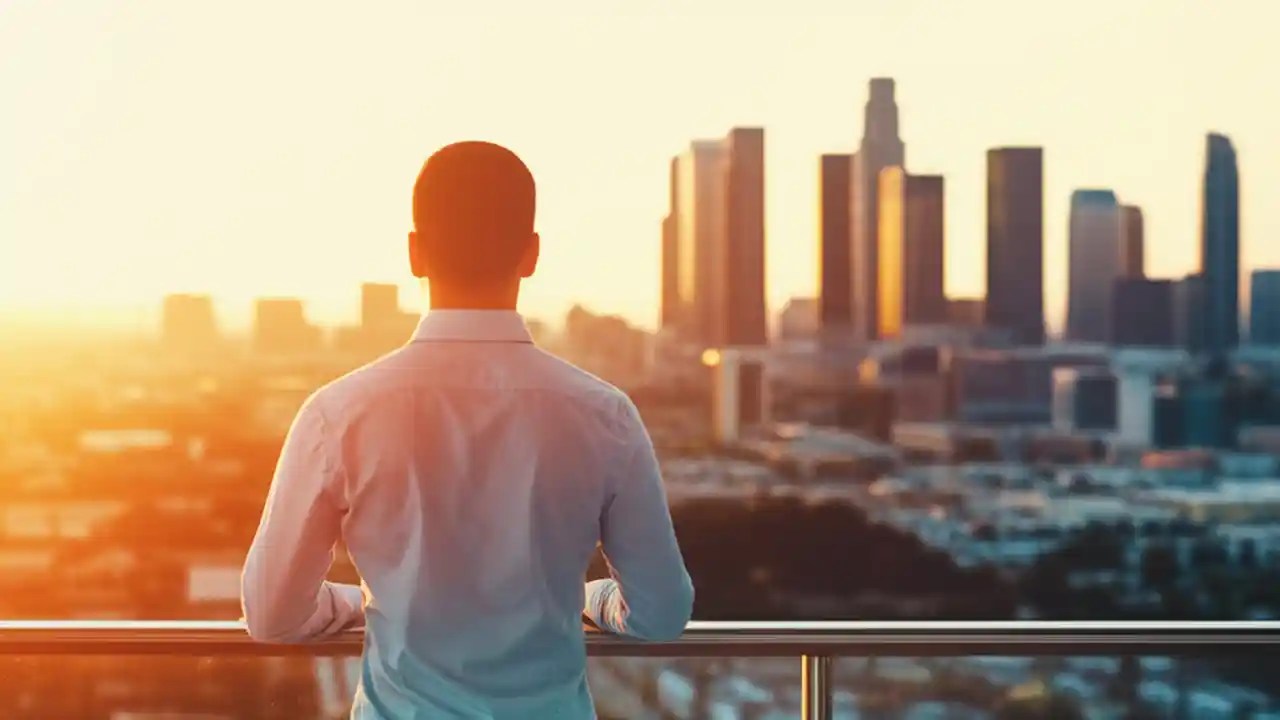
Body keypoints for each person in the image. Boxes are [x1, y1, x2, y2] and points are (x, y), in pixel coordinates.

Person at [240, 141, 694, 719]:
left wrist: (368, 602)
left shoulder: (339, 413)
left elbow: (271, 614)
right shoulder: (604, 414)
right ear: (531, 254)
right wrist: (589, 598)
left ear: (415, 253)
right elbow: (660, 613)